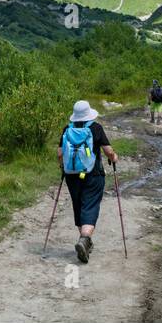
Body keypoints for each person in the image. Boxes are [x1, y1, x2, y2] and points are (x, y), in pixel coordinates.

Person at [57, 100, 119, 263]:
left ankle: (84, 242)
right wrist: (114, 158)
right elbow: (108, 151)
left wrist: (63, 168)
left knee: (78, 205)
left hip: (71, 175)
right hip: (92, 175)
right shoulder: (95, 128)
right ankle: (84, 239)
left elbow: (59, 153)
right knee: (90, 205)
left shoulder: (67, 129)